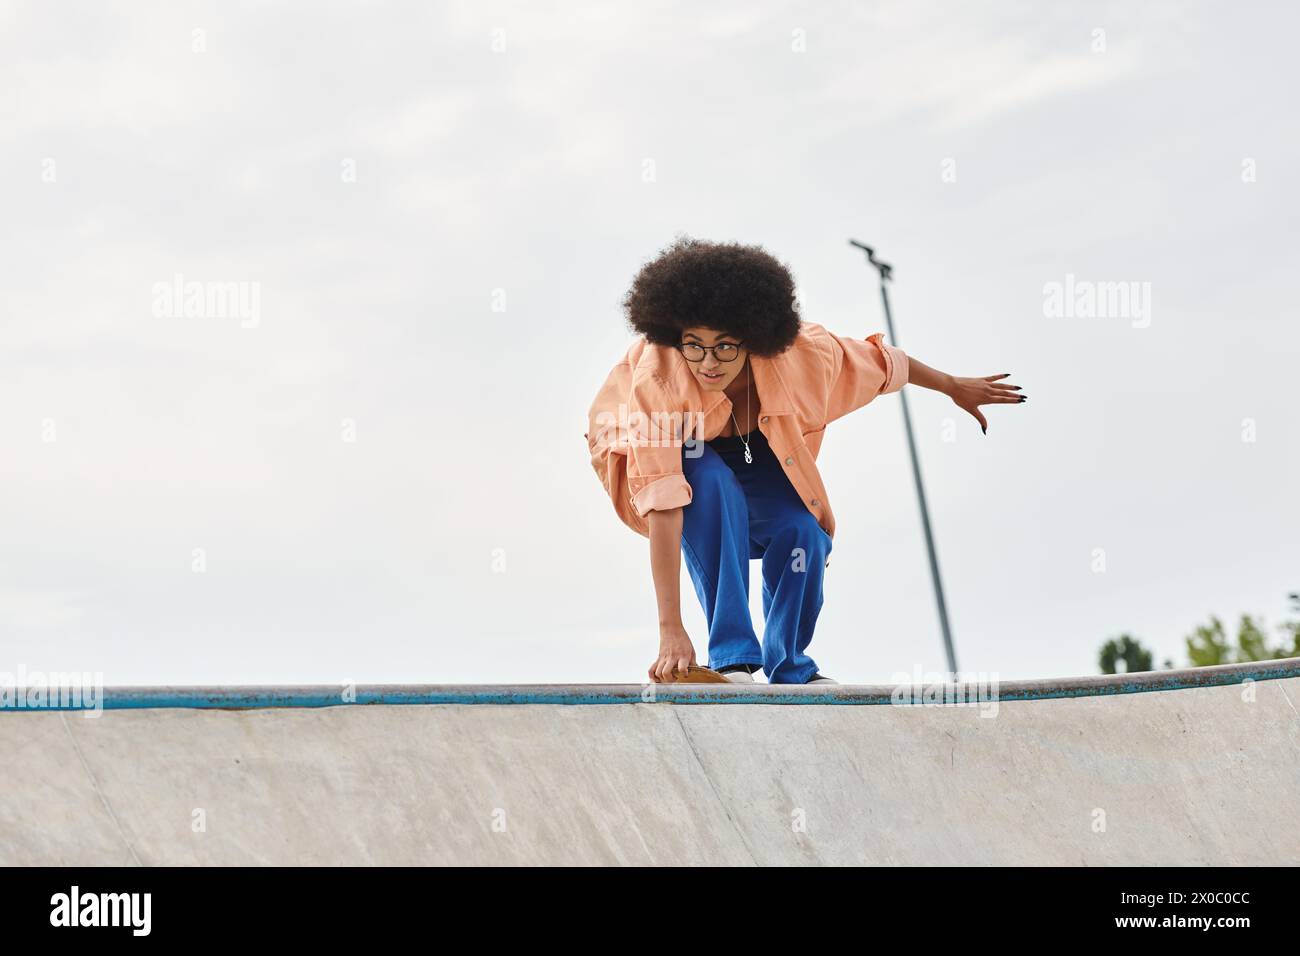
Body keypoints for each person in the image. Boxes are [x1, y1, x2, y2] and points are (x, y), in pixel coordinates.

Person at [585, 237, 1025, 685]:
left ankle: (790, 666)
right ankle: (733, 657)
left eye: (725, 347)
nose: (708, 363)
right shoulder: (659, 378)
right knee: (713, 484)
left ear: (754, 339)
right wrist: (671, 632)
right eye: (693, 345)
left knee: (802, 533)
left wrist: (953, 385)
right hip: (653, 450)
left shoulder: (808, 356)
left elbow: (888, 363)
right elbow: (664, 502)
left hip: (754, 449)